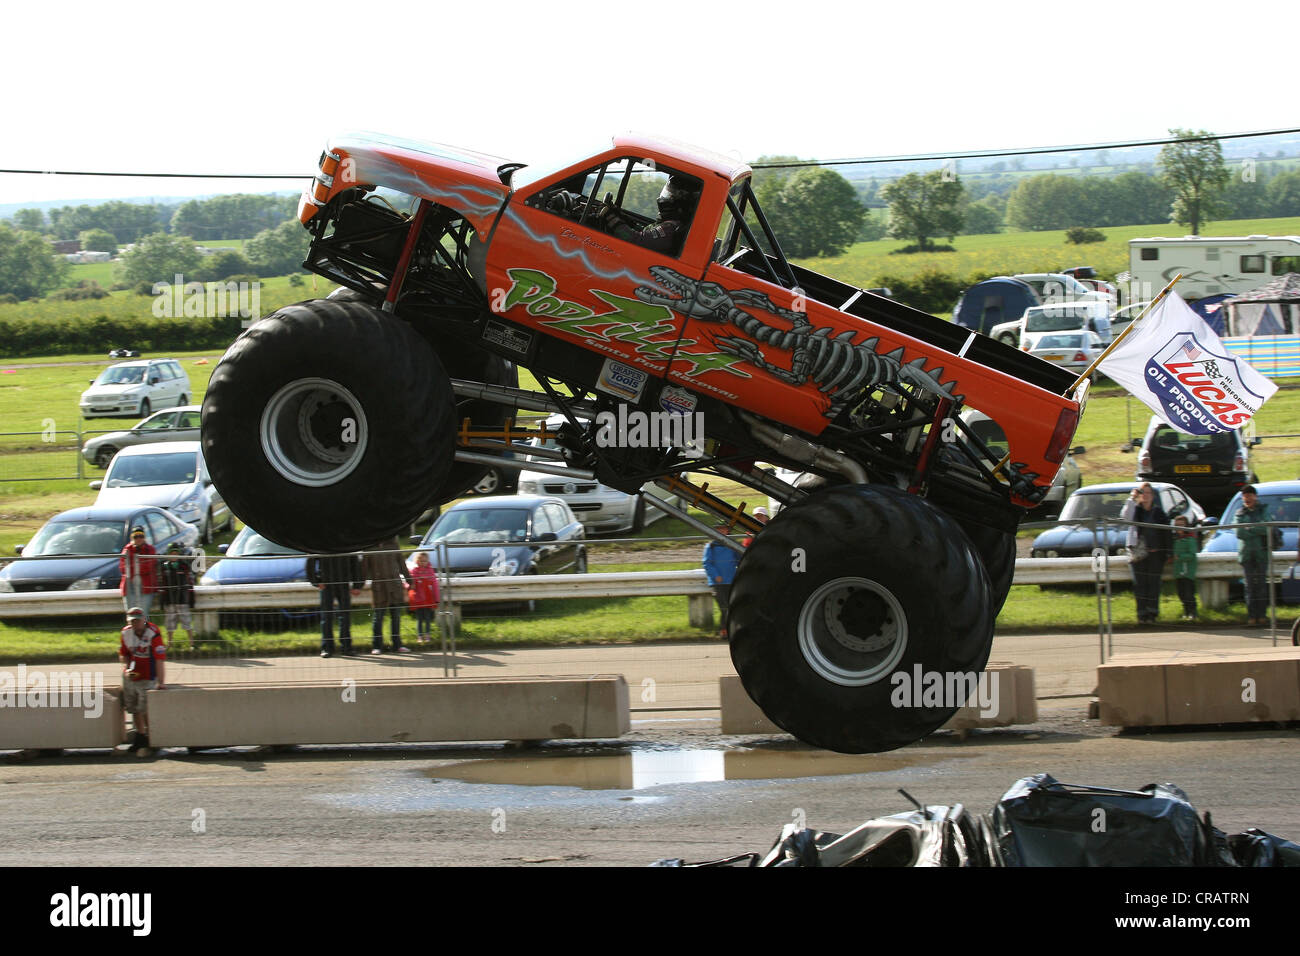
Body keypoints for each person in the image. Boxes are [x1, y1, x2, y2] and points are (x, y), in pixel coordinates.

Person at [593, 176, 701, 254]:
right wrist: (620, 216)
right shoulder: (669, 225)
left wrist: (610, 217)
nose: (664, 198)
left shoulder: (670, 228)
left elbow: (636, 240)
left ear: (681, 202)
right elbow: (644, 232)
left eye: (670, 195)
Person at [1121, 482, 1170, 625]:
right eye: (1143, 493)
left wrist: (1167, 552)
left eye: (1149, 493)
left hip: (1155, 554)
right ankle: (1141, 615)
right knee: (1140, 585)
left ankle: (1152, 614)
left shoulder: (1159, 513)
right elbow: (1126, 518)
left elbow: (1166, 532)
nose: (1146, 496)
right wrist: (1132, 498)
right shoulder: (1135, 510)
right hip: (1138, 555)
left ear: (1153, 496)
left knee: (1153, 584)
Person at [119, 606, 165, 757]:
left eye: (138, 621)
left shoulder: (154, 633)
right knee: (133, 707)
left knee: (145, 708)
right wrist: (126, 669)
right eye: (132, 621)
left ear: (144, 620)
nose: (135, 624)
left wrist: (161, 682)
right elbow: (124, 654)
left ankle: (151, 739)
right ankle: (140, 736)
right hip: (132, 676)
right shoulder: (125, 633)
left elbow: (159, 659)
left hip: (148, 676)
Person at [362, 537, 413, 654]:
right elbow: (364, 568)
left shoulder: (394, 544)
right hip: (379, 587)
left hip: (394, 585)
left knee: (396, 616)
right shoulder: (369, 547)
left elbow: (402, 564)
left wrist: (410, 580)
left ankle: (397, 644)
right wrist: (358, 584)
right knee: (378, 617)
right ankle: (377, 645)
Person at [307, 551, 363, 657]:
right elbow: (310, 560)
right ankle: (327, 647)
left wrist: (357, 585)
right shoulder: (320, 544)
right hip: (326, 583)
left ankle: (346, 647)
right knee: (326, 617)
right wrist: (316, 581)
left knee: (345, 616)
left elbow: (355, 562)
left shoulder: (345, 541)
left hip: (343, 583)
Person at [1234, 485, 1272, 626]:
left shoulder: (1263, 510)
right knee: (1249, 587)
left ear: (1255, 496)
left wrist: (1249, 528)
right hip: (1246, 555)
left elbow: (1266, 527)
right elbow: (1239, 532)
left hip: (1261, 554)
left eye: (1249, 495)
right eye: (1245, 496)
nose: (1247, 498)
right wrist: (1256, 528)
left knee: (1261, 586)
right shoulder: (1240, 513)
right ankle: (1251, 617)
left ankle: (1262, 616)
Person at [702, 526, 740, 639]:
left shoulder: (732, 545)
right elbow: (707, 563)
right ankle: (724, 630)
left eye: (723, 529)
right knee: (724, 607)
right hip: (717, 583)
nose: (721, 531)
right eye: (719, 529)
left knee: (731, 607)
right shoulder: (711, 546)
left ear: (728, 531)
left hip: (731, 581)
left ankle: (729, 630)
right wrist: (716, 575)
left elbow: (740, 559)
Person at [158, 542, 196, 649]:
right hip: (169, 599)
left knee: (187, 621)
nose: (174, 556)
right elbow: (162, 584)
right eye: (171, 553)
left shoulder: (184, 566)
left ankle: (191, 643)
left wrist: (191, 599)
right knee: (169, 622)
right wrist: (162, 601)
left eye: (176, 553)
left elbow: (190, 582)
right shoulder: (164, 567)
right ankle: (169, 643)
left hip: (182, 599)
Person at [119, 526, 159, 618]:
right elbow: (123, 568)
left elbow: (149, 566)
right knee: (131, 615)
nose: (138, 538)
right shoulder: (127, 550)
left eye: (141, 536)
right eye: (135, 536)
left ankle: (144, 631)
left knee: (143, 615)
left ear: (144, 537)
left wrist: (133, 566)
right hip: (129, 587)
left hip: (146, 587)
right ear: (132, 538)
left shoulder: (150, 549)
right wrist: (137, 565)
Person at [407, 551, 440, 644]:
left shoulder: (430, 571)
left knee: (428, 618)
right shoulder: (414, 571)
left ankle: (428, 635)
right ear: (417, 561)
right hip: (418, 599)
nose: (423, 563)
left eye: (425, 561)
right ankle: (420, 636)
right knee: (420, 619)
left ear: (427, 561)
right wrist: (409, 586)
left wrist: (437, 598)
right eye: (421, 561)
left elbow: (435, 585)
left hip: (428, 598)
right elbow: (409, 583)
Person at [1171, 515, 1199, 622]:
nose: (1179, 528)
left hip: (1187, 571)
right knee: (1181, 593)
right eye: (1177, 525)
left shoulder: (1190, 539)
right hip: (1178, 571)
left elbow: (1192, 555)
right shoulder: (1176, 540)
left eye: (1181, 525)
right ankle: (1186, 612)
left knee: (1189, 593)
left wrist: (1180, 557)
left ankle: (1193, 612)